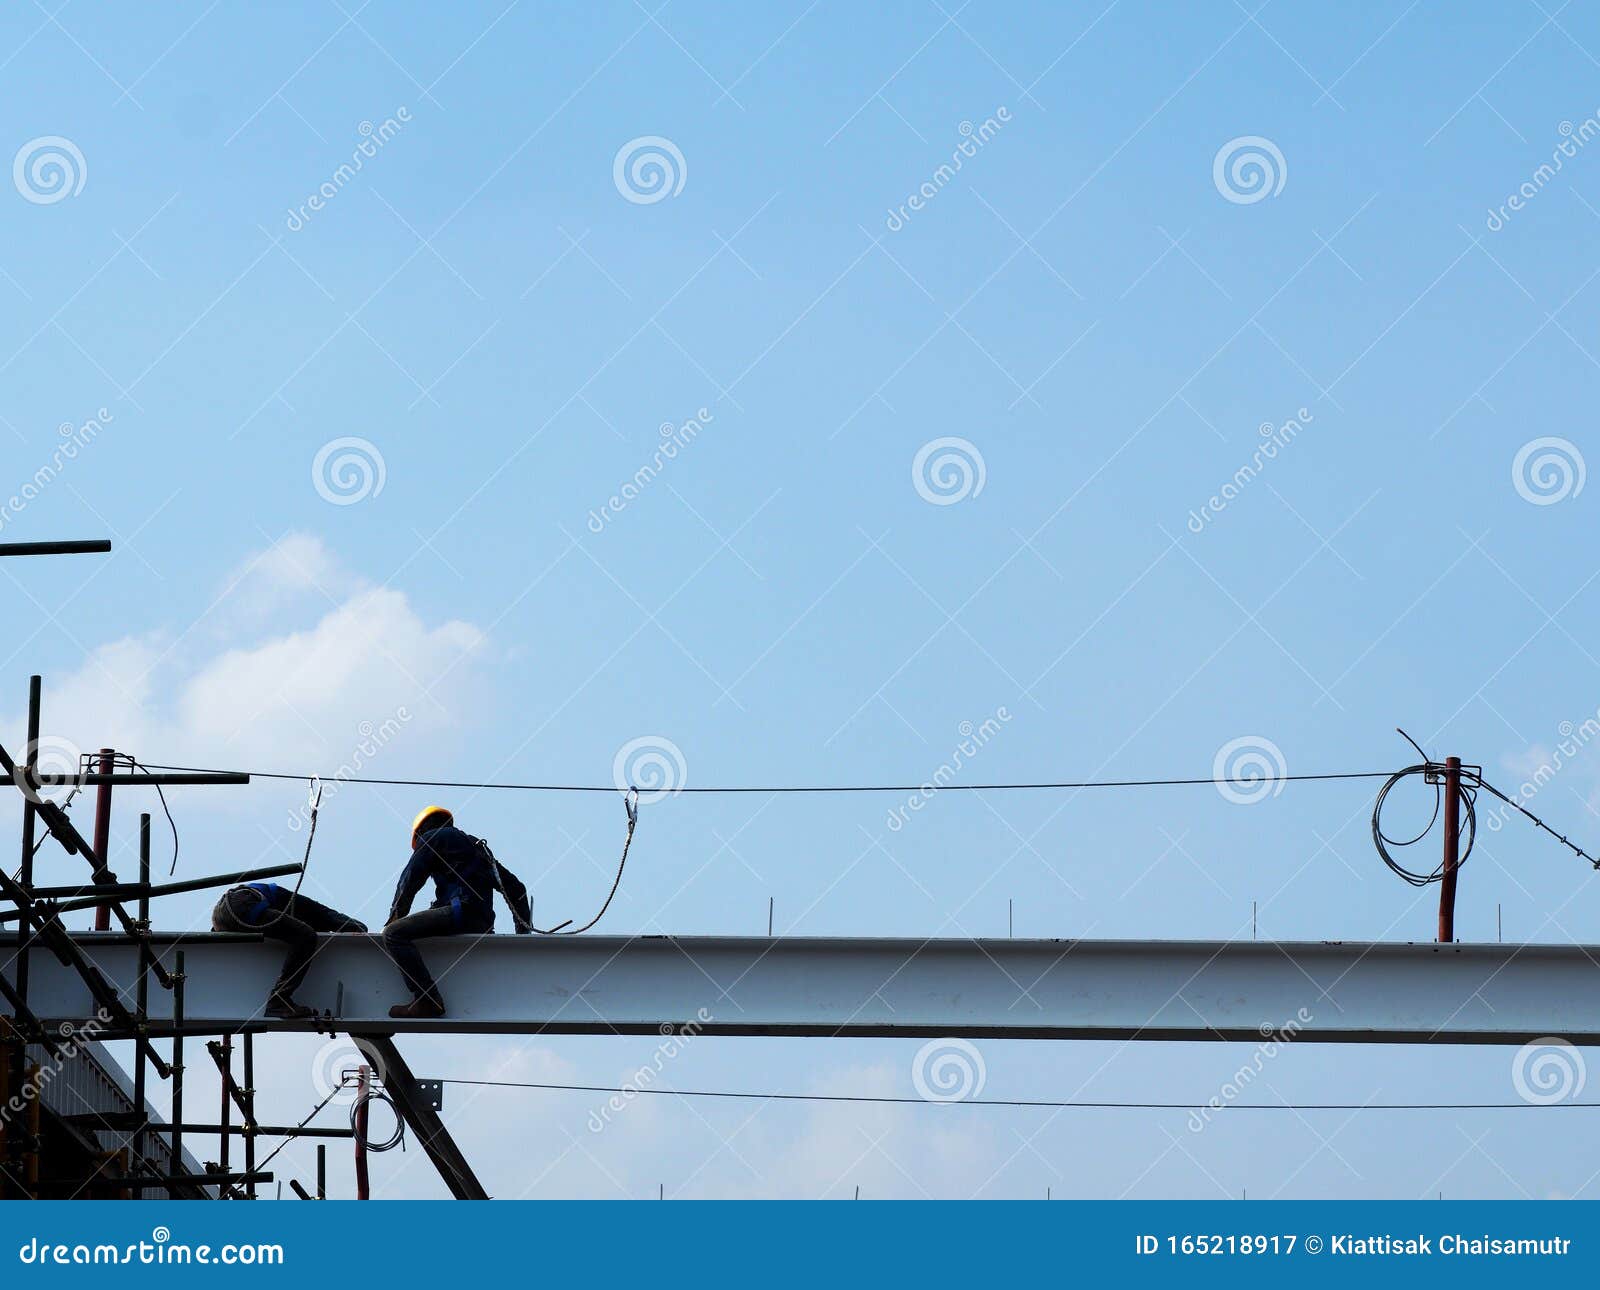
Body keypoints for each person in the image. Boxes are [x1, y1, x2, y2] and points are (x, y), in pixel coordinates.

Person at [382, 805, 532, 1019]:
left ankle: (426, 999)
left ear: (421, 832)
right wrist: (522, 936)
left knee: (393, 934)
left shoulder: (432, 838)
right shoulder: (476, 846)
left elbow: (409, 880)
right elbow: (516, 889)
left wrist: (394, 918)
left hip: (460, 914)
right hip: (481, 923)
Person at [211, 883, 368, 1020]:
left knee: (298, 931)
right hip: (241, 905)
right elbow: (325, 915)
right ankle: (278, 1000)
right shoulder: (287, 898)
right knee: (305, 936)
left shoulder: (269, 899)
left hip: (225, 914)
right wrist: (357, 927)